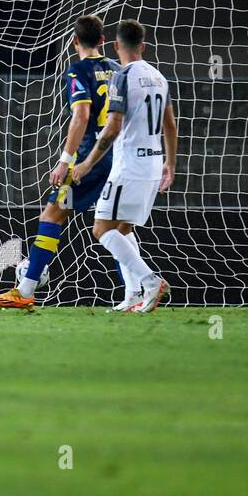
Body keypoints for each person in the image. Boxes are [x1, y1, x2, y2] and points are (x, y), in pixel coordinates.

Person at [0, 15, 121, 310]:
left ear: (74, 42)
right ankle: (140, 288)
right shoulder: (117, 70)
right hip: (118, 157)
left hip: (88, 160)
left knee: (51, 216)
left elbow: (82, 115)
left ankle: (25, 289)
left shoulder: (77, 71)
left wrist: (65, 161)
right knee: (119, 227)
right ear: (102, 41)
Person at [72, 19, 178, 313]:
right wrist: (170, 163)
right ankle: (133, 294)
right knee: (123, 227)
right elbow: (170, 125)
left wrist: (86, 163)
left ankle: (150, 281)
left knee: (102, 230)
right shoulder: (159, 77)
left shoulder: (122, 75)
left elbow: (113, 127)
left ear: (116, 46)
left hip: (129, 166)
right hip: (153, 164)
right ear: (143, 46)